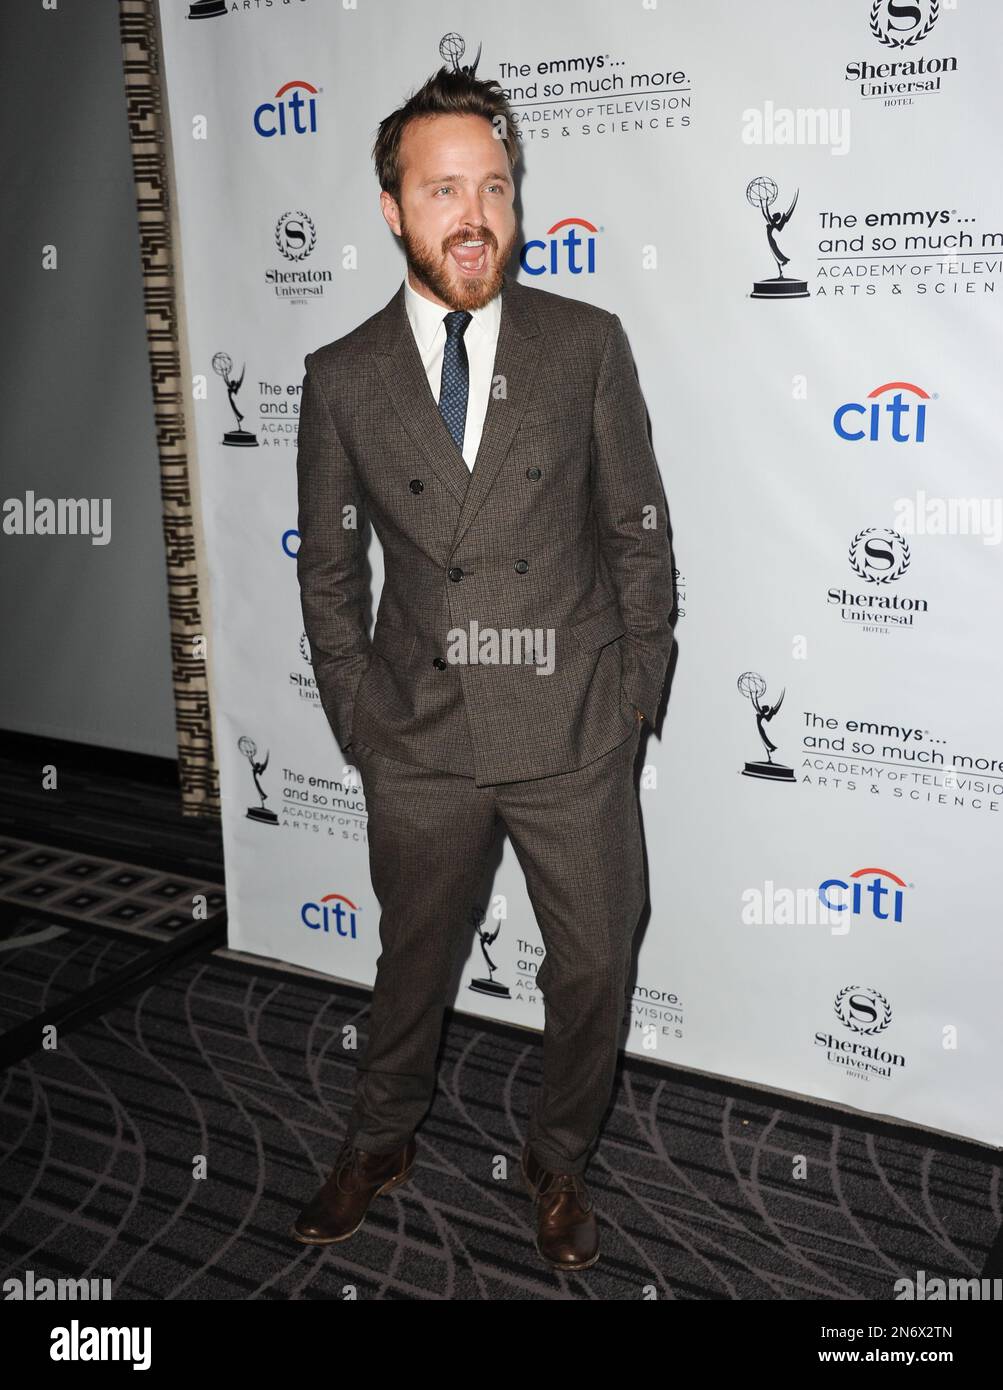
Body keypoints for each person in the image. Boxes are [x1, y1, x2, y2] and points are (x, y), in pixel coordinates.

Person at [291, 63, 674, 1271]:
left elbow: (638, 534)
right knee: (412, 955)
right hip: (423, 734)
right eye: (443, 188)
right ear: (394, 211)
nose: (474, 215)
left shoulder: (585, 344)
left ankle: (559, 1157)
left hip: (571, 725)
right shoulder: (341, 377)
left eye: (493, 187)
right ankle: (380, 1134)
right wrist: (362, 719)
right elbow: (329, 576)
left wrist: (632, 697)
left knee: (600, 957)